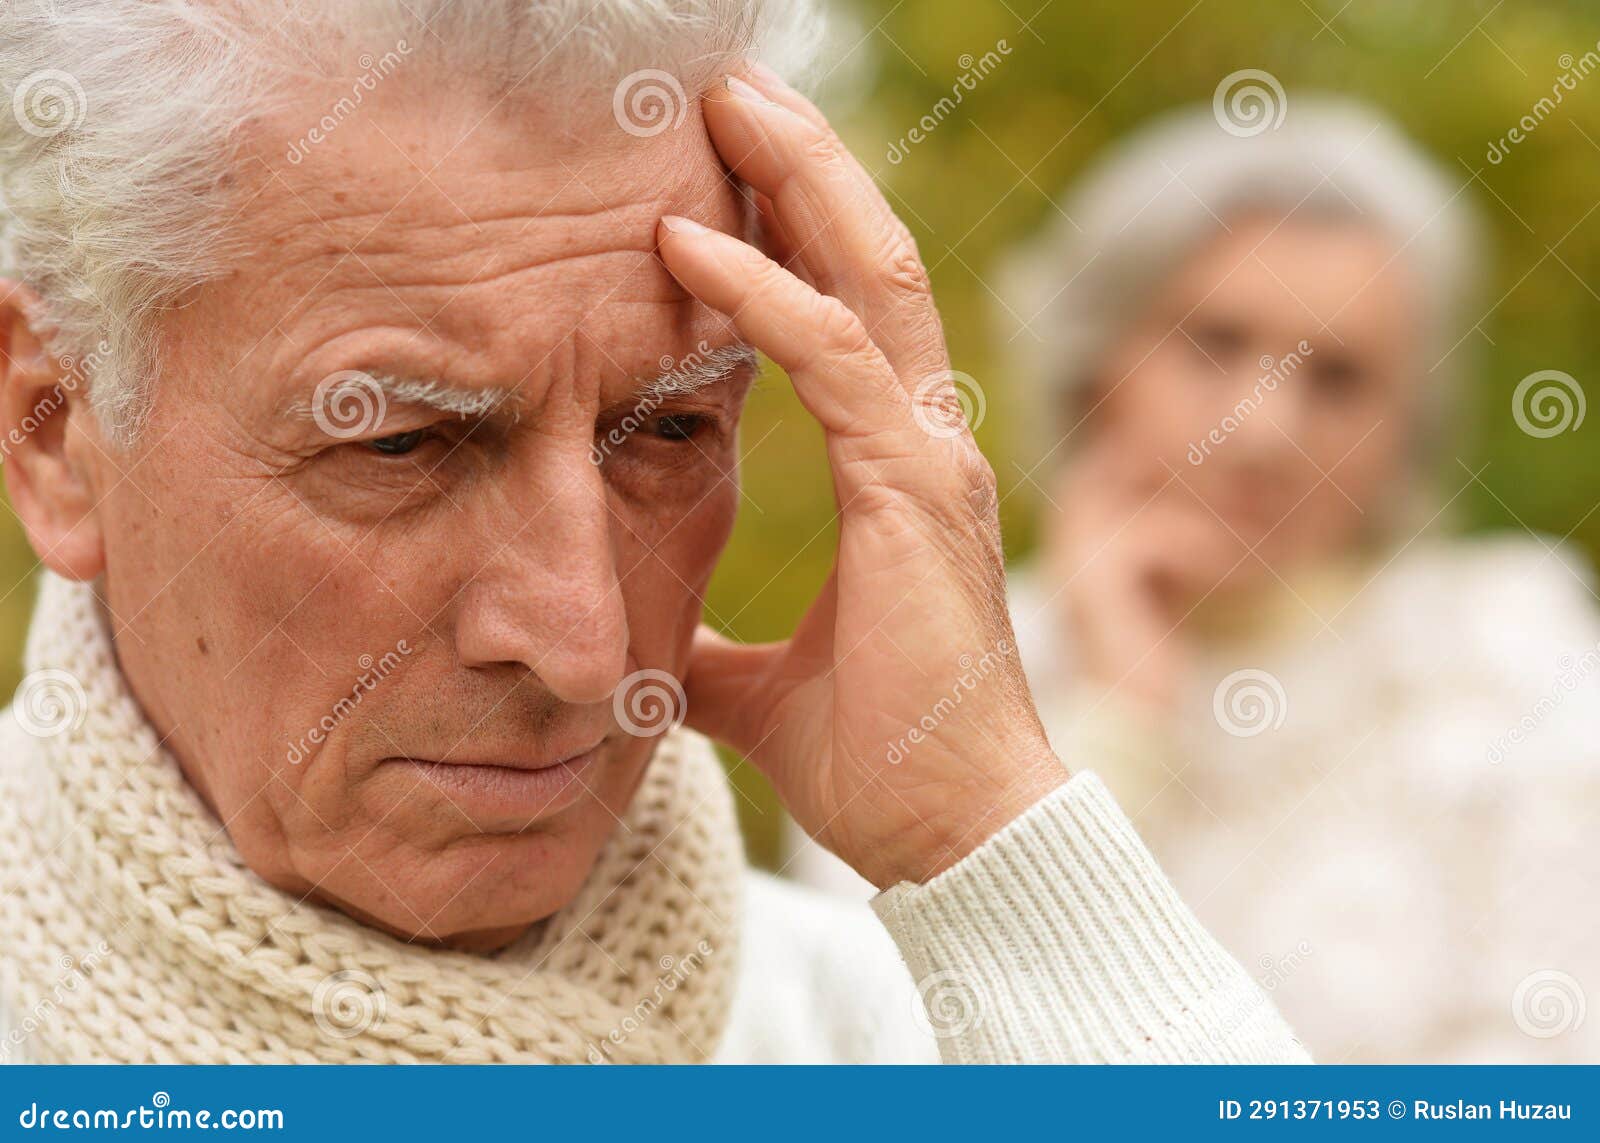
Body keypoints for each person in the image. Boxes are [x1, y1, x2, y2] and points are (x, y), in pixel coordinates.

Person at [0, 1, 1305, 1064]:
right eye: (397, 443)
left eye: (671, 433)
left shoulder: (905, 1023)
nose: (586, 640)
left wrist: (983, 832)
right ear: (53, 427)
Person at [994, 101, 1599, 1061]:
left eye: (1340, 378)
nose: (1264, 432)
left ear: (1407, 431)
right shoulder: (945, 675)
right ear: (1095, 364)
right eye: (1215, 343)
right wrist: (1122, 723)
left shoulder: (1518, 665)